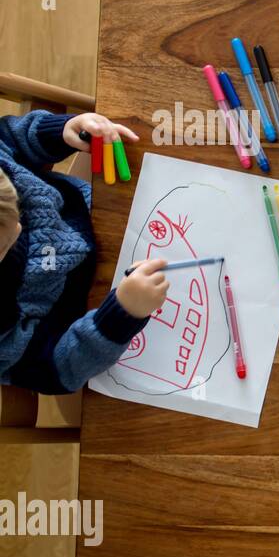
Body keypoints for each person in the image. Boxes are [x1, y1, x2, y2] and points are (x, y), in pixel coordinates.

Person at [1, 109, 169, 394]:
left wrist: (62, 130)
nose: (20, 226)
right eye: (6, 242)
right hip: (92, 308)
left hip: (98, 204)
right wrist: (122, 316)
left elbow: (9, 138)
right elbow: (56, 372)